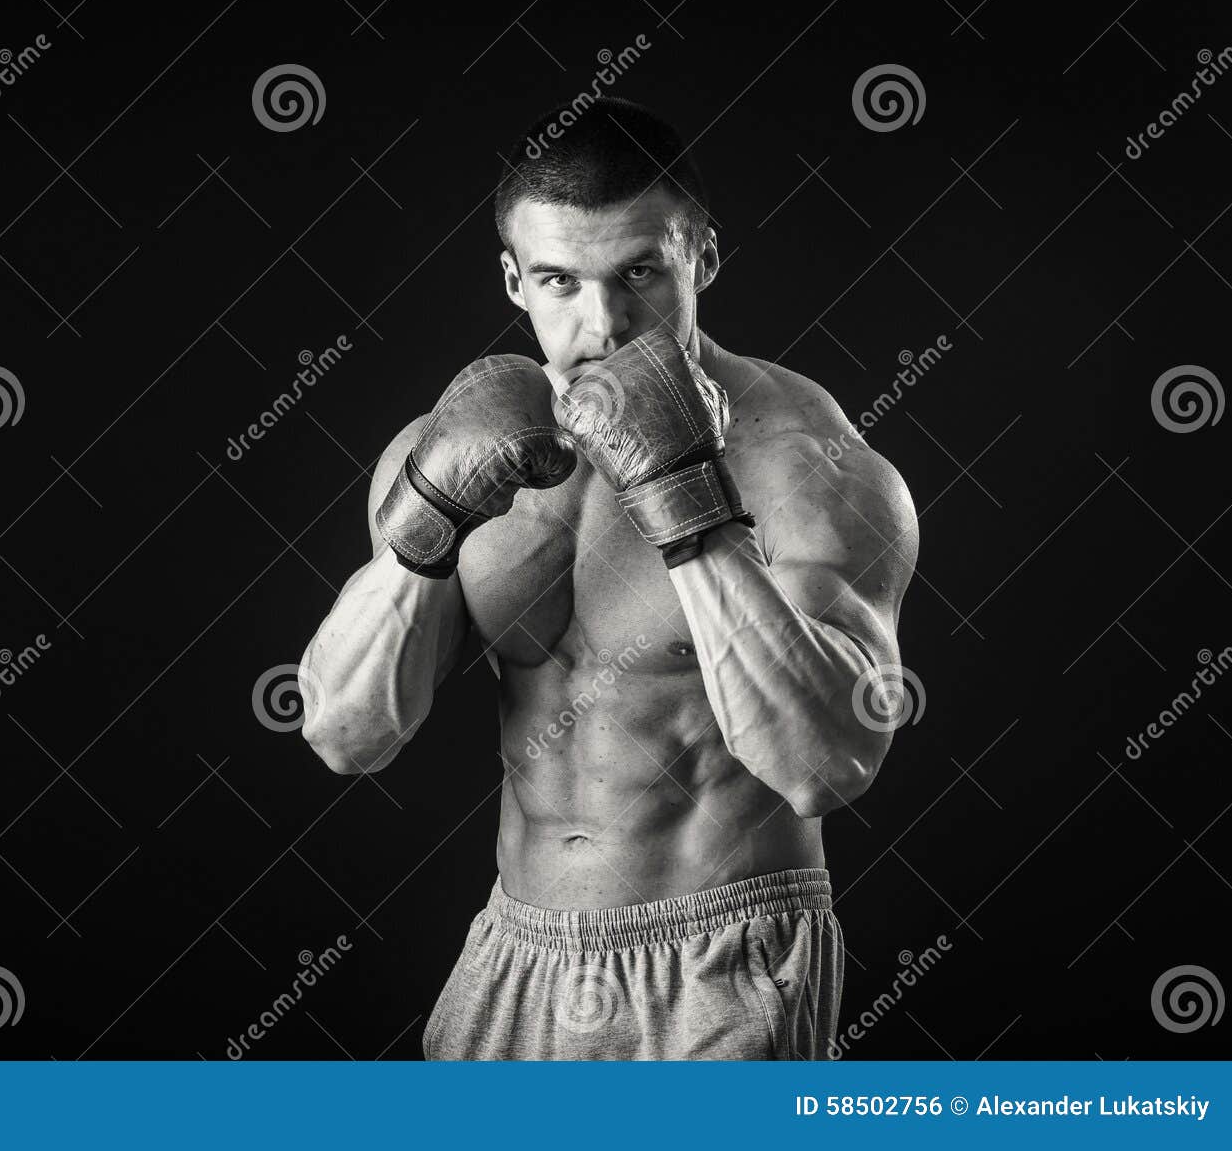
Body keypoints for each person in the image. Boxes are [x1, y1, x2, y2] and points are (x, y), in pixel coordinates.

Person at [299, 97, 919, 1060]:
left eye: (640, 271)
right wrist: (426, 530)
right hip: (520, 952)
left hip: (725, 962)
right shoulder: (457, 448)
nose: (603, 323)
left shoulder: (804, 461)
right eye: (559, 280)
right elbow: (346, 735)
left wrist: (689, 498)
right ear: (514, 278)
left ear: (701, 258)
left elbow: (825, 763)